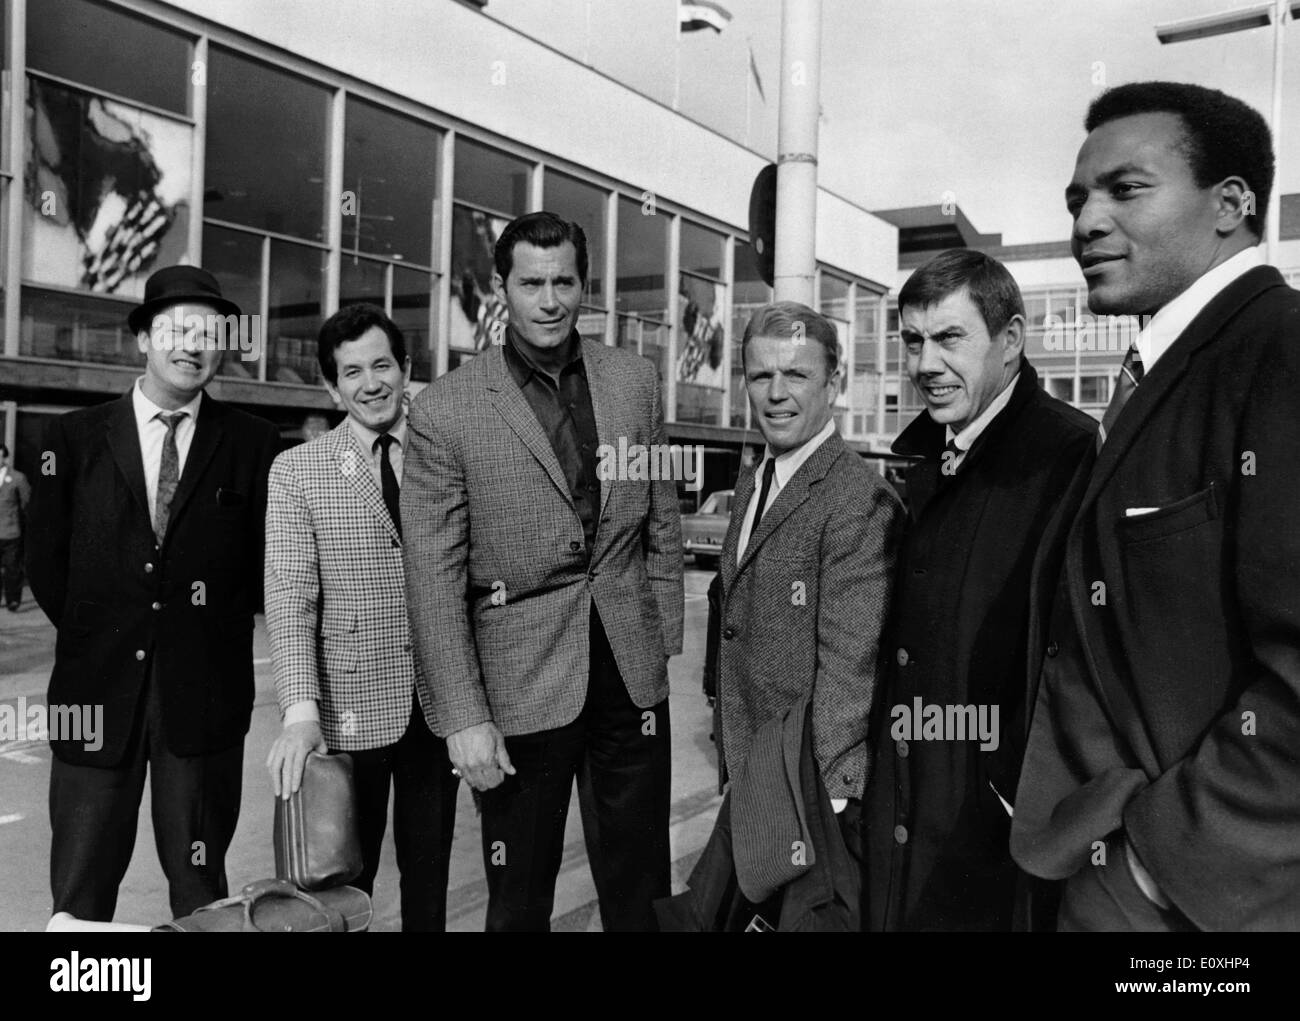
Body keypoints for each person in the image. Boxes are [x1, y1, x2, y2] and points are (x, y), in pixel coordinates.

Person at [1011, 81, 1300, 931]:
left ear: (1232, 205)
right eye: (1076, 199)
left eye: (1125, 189)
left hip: (1193, 900)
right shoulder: (1168, 367)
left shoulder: (1279, 351)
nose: (1086, 223)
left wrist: (1157, 867)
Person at [402, 211, 683, 931]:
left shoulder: (634, 381)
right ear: (502, 287)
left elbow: (660, 519)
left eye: (564, 282)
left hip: (628, 672)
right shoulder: (445, 409)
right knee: (520, 895)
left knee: (643, 886)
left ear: (584, 285)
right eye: (532, 283)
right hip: (518, 686)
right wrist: (463, 716)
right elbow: (432, 581)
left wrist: (661, 639)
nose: (550, 300)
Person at [25, 265, 279, 921]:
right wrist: (107, 631)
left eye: (208, 332)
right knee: (79, 894)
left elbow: (260, 567)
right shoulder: (73, 439)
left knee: (201, 893)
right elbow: (48, 563)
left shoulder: (254, 443)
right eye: (175, 329)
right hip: (93, 694)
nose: (191, 345)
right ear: (143, 338)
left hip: (204, 703)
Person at [862, 250, 1095, 931]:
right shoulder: (914, 455)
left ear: (1012, 340)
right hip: (900, 804)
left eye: (949, 338)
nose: (924, 363)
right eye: (913, 340)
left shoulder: (1071, 457)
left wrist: (1007, 799)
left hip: (992, 825)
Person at [264, 303, 460, 931]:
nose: (371, 384)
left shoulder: (447, 452)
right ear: (331, 386)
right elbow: (290, 599)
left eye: (382, 365)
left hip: (439, 703)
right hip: (349, 712)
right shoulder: (298, 471)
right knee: (345, 885)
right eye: (352, 372)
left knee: (429, 874)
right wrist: (300, 713)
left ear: (406, 369)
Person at [713, 301, 904, 923]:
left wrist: (823, 804)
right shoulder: (756, 477)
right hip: (755, 774)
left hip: (809, 795)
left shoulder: (857, 498)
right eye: (761, 375)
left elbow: (852, 666)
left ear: (834, 384)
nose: (776, 393)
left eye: (796, 375)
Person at [0, 443, 31, 611]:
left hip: (10, 531)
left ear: (4, 458)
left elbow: (27, 501)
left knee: (12, 568)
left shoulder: (18, 477)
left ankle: (13, 600)